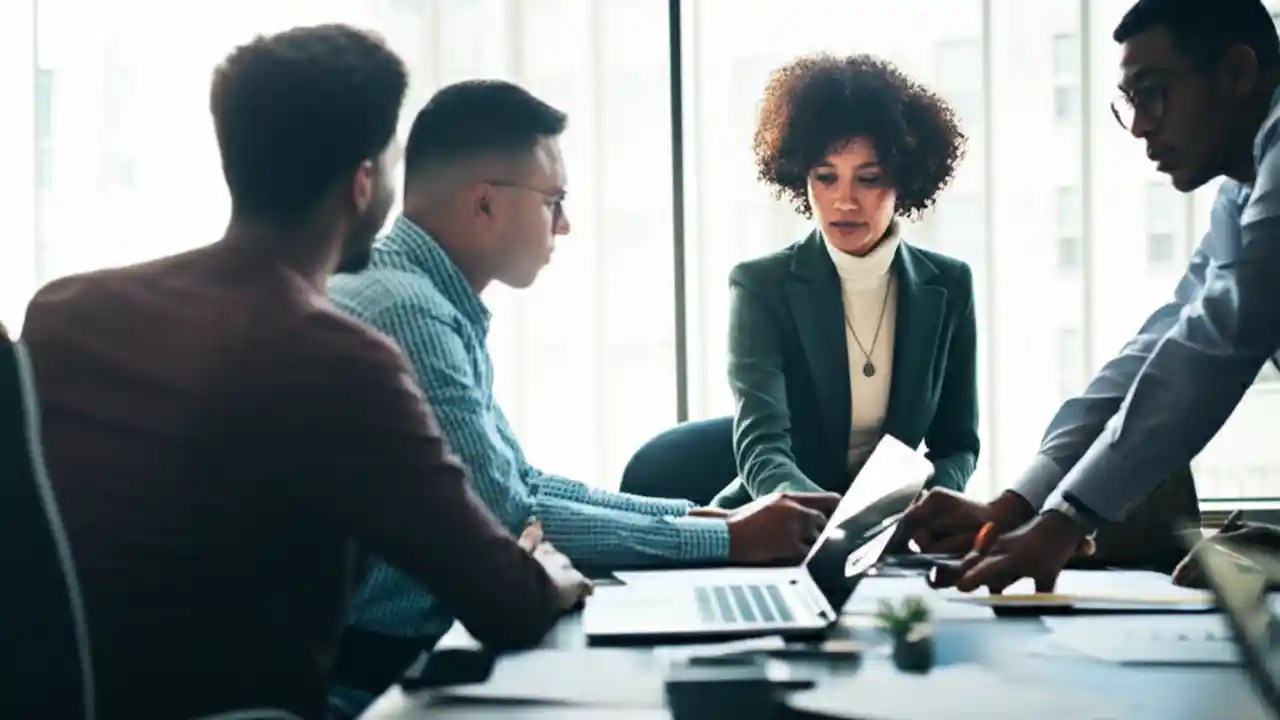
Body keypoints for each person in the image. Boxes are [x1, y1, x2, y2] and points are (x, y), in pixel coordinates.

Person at [19, 26, 587, 719]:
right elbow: (507, 604)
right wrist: (547, 573)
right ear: (363, 183)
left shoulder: (65, 310)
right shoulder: (341, 359)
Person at [326, 79, 841, 699]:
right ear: (484, 203)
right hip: (373, 681)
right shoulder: (409, 312)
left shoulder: (422, 297)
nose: (563, 225)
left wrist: (713, 518)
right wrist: (729, 539)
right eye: (554, 200)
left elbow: (521, 482)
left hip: (419, 655)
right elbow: (507, 520)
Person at [902, 0, 1280, 594]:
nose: (1139, 126)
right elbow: (1163, 343)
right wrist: (1019, 503)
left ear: (1237, 72)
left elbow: (1215, 349)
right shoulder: (1242, 190)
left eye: (1153, 93)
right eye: (1130, 102)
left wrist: (1065, 519)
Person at [692, 53, 979, 510]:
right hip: (776, 523)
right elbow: (761, 448)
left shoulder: (950, 285)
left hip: (895, 531)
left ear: (903, 182)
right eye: (826, 177)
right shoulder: (759, 285)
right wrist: (840, 520)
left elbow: (957, 444)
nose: (844, 200)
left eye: (869, 178)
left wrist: (922, 504)